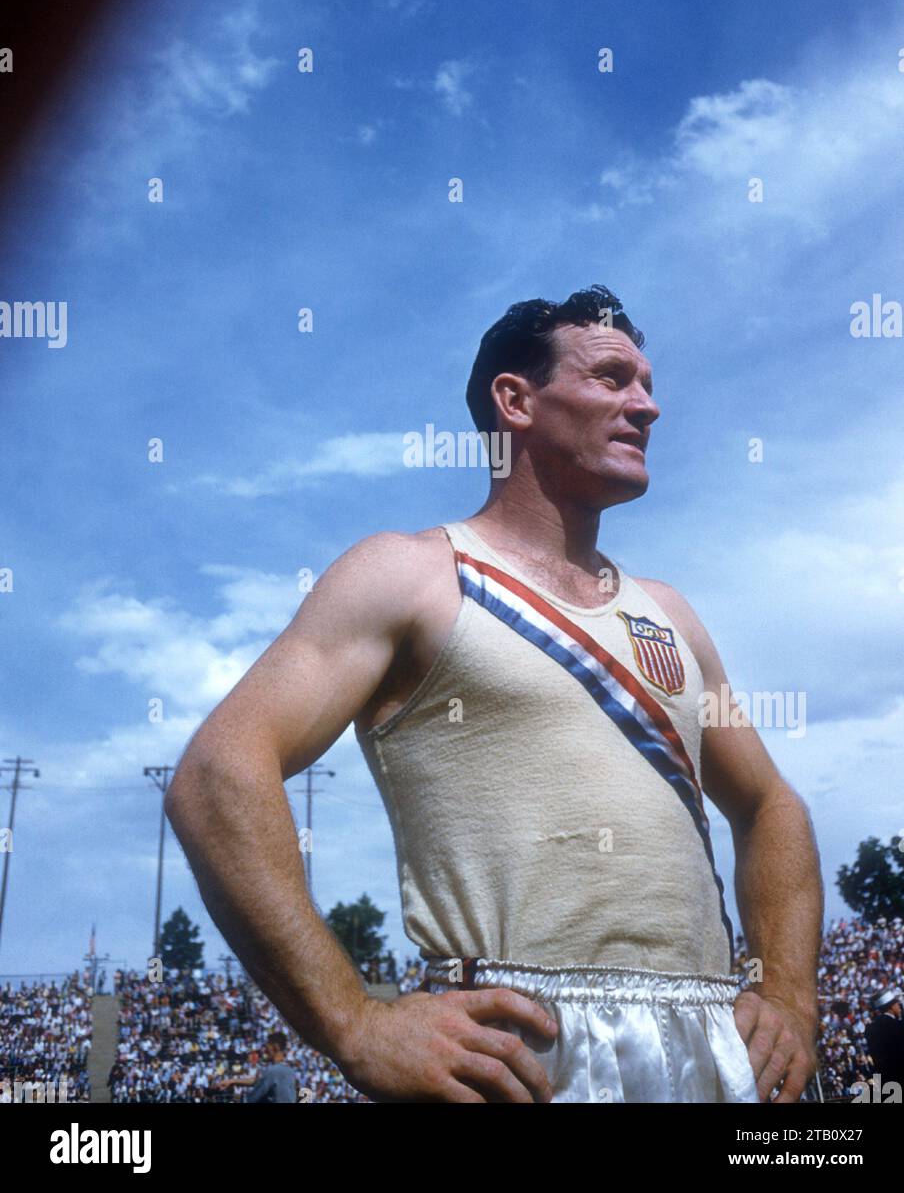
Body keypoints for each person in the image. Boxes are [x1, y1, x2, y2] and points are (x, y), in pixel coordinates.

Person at [166, 284, 823, 1103]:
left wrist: (789, 995)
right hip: (519, 1047)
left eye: (648, 385)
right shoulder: (412, 574)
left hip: (711, 1042)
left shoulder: (671, 613)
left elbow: (770, 807)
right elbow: (218, 773)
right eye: (613, 378)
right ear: (515, 400)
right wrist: (354, 1021)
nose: (646, 406)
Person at [214, 1031, 298, 1103]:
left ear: (275, 1047)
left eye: (266, 1047)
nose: (264, 1050)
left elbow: (251, 1099)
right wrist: (232, 1081)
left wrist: (237, 1097)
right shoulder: (289, 1070)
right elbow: (259, 1080)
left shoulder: (273, 1071)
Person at [864, 990, 904, 1088]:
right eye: (897, 1004)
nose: (899, 1007)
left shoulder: (870, 1030)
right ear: (891, 1006)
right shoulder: (902, 1026)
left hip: (886, 1082)